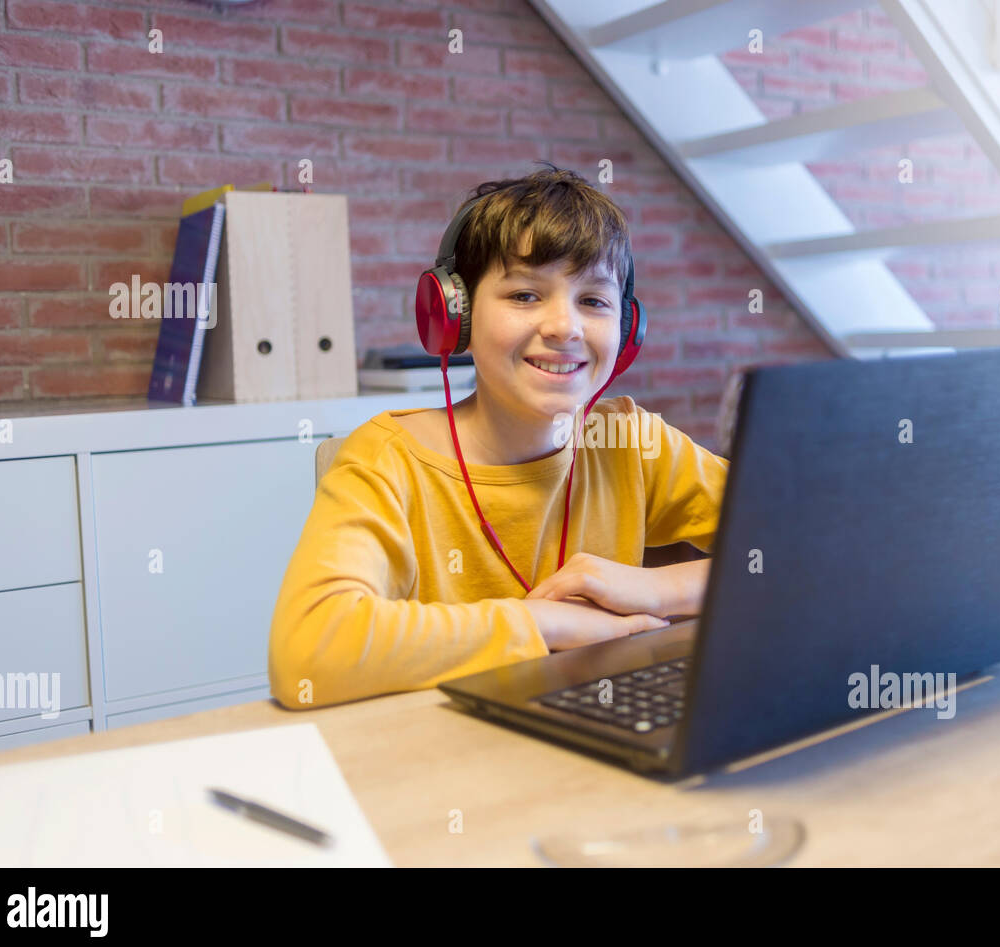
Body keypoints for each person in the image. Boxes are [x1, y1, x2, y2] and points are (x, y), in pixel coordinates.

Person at [268, 164, 729, 709]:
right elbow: (310, 649)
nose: (565, 327)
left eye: (594, 301)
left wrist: (657, 588)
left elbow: (818, 544)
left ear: (627, 329)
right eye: (525, 296)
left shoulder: (629, 441)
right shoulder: (389, 460)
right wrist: (539, 624)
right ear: (452, 316)